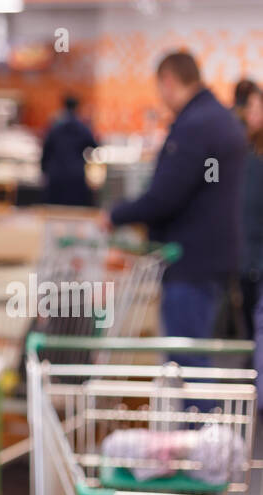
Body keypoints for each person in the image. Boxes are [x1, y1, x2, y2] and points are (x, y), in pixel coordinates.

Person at [103, 51, 247, 362]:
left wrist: (116, 215)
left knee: (187, 361)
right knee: (195, 355)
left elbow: (164, 197)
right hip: (213, 257)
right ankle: (199, 410)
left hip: (190, 260)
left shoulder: (194, 125)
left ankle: (199, 412)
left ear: (168, 81)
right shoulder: (220, 118)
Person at [40, 94, 98, 207]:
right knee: (75, 212)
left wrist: (44, 170)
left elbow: (45, 150)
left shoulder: (54, 126)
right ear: (77, 107)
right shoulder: (82, 127)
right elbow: (94, 145)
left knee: (54, 211)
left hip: (56, 175)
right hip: (75, 175)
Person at [239, 82, 263, 338]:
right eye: (251, 108)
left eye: (259, 108)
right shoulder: (243, 150)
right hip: (246, 254)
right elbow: (213, 174)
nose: (252, 113)